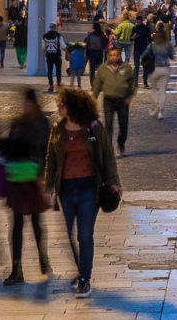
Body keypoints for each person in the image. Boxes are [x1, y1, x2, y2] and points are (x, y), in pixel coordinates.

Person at [45, 87, 121, 299]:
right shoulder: (58, 129)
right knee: (69, 234)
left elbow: (107, 155)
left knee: (84, 235)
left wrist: (114, 182)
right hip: (66, 191)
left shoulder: (93, 127)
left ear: (74, 106)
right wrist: (49, 187)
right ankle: (81, 272)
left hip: (90, 189)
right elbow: (51, 158)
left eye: (62, 103)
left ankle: (84, 279)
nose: (58, 107)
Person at [0, 89, 52, 285]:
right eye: (23, 102)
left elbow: (45, 150)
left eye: (26, 102)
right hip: (16, 176)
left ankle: (42, 257)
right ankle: (17, 268)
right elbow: (8, 148)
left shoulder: (41, 124)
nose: (24, 105)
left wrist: (44, 176)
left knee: (36, 222)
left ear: (33, 102)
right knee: (16, 224)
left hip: (33, 177)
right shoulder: (18, 122)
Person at [91, 45, 136, 158]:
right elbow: (97, 85)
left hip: (123, 101)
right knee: (108, 125)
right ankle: (108, 149)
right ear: (108, 56)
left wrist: (129, 96)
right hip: (109, 100)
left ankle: (120, 145)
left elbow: (133, 83)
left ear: (120, 55)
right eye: (111, 55)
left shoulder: (127, 68)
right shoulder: (102, 69)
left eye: (116, 55)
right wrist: (93, 99)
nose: (113, 57)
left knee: (124, 126)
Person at [143, 22, 174, 121]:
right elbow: (172, 56)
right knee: (163, 91)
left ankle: (156, 104)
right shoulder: (167, 44)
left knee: (154, 89)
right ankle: (160, 111)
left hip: (155, 69)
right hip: (165, 68)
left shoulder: (152, 44)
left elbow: (144, 55)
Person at [42, 23, 67, 90]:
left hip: (49, 56)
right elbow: (63, 46)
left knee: (49, 71)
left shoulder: (45, 36)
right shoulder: (59, 36)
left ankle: (51, 85)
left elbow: (43, 48)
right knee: (58, 71)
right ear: (56, 28)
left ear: (50, 27)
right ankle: (58, 84)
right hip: (57, 56)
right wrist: (67, 51)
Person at [131, 16, 153, 87]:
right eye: (137, 21)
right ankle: (136, 82)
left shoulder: (146, 28)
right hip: (137, 49)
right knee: (136, 66)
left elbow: (149, 39)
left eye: (139, 21)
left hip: (144, 49)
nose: (138, 22)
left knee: (145, 66)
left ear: (142, 20)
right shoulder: (134, 28)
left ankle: (145, 82)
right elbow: (130, 39)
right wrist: (133, 37)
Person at [84, 21, 108, 86]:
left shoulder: (90, 35)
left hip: (91, 54)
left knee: (92, 71)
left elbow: (85, 43)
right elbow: (105, 42)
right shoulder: (102, 34)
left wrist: (87, 55)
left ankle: (92, 84)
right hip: (99, 54)